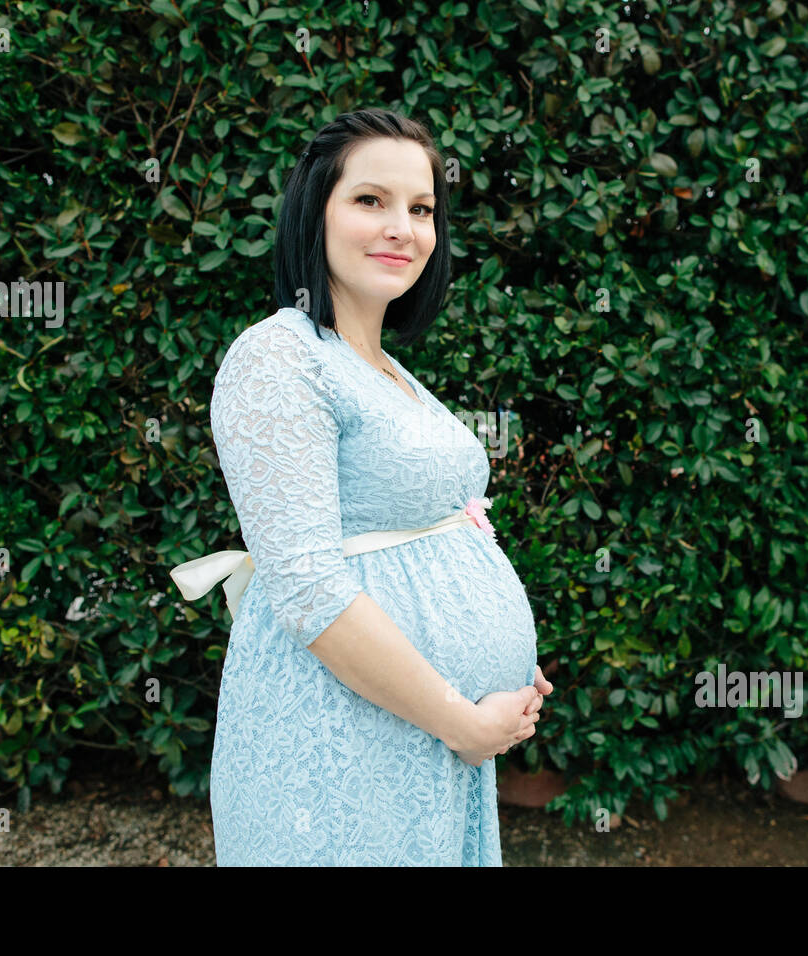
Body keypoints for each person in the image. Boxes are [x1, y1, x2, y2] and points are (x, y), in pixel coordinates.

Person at [193, 107, 553, 866]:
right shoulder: (279, 359)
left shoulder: (385, 369)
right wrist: (459, 717)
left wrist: (505, 669)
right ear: (312, 212)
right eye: (370, 201)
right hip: (345, 741)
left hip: (424, 736)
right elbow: (308, 589)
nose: (403, 227)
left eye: (421, 209)